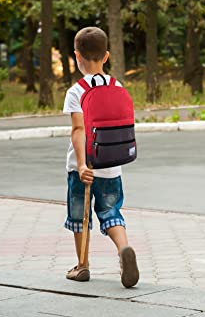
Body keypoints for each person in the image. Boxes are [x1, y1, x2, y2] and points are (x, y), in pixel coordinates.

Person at [62, 27, 139, 288]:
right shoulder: (117, 86)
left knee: (79, 216)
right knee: (110, 211)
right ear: (106, 56)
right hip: (112, 166)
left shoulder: (77, 91)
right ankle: (123, 248)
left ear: (77, 56)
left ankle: (82, 265)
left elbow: (78, 130)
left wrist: (82, 164)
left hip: (82, 168)